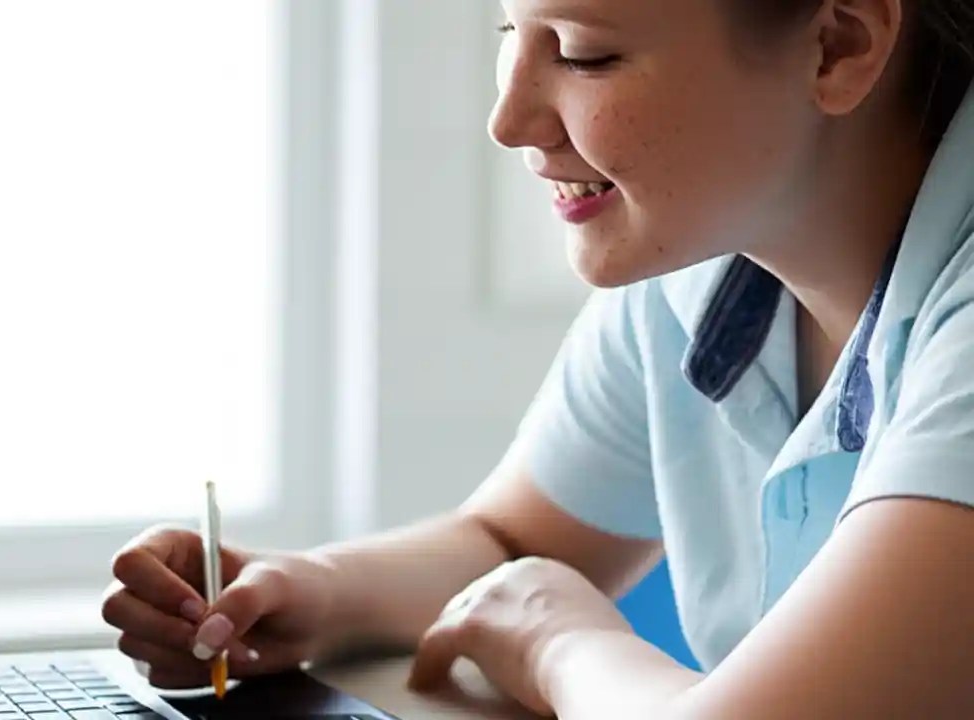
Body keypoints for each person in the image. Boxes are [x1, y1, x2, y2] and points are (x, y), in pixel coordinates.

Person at [102, 0, 974, 716]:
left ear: (839, 44)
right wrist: (306, 593)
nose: (508, 120)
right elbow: (510, 541)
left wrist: (562, 643)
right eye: (507, 34)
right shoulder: (698, 262)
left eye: (584, 55)